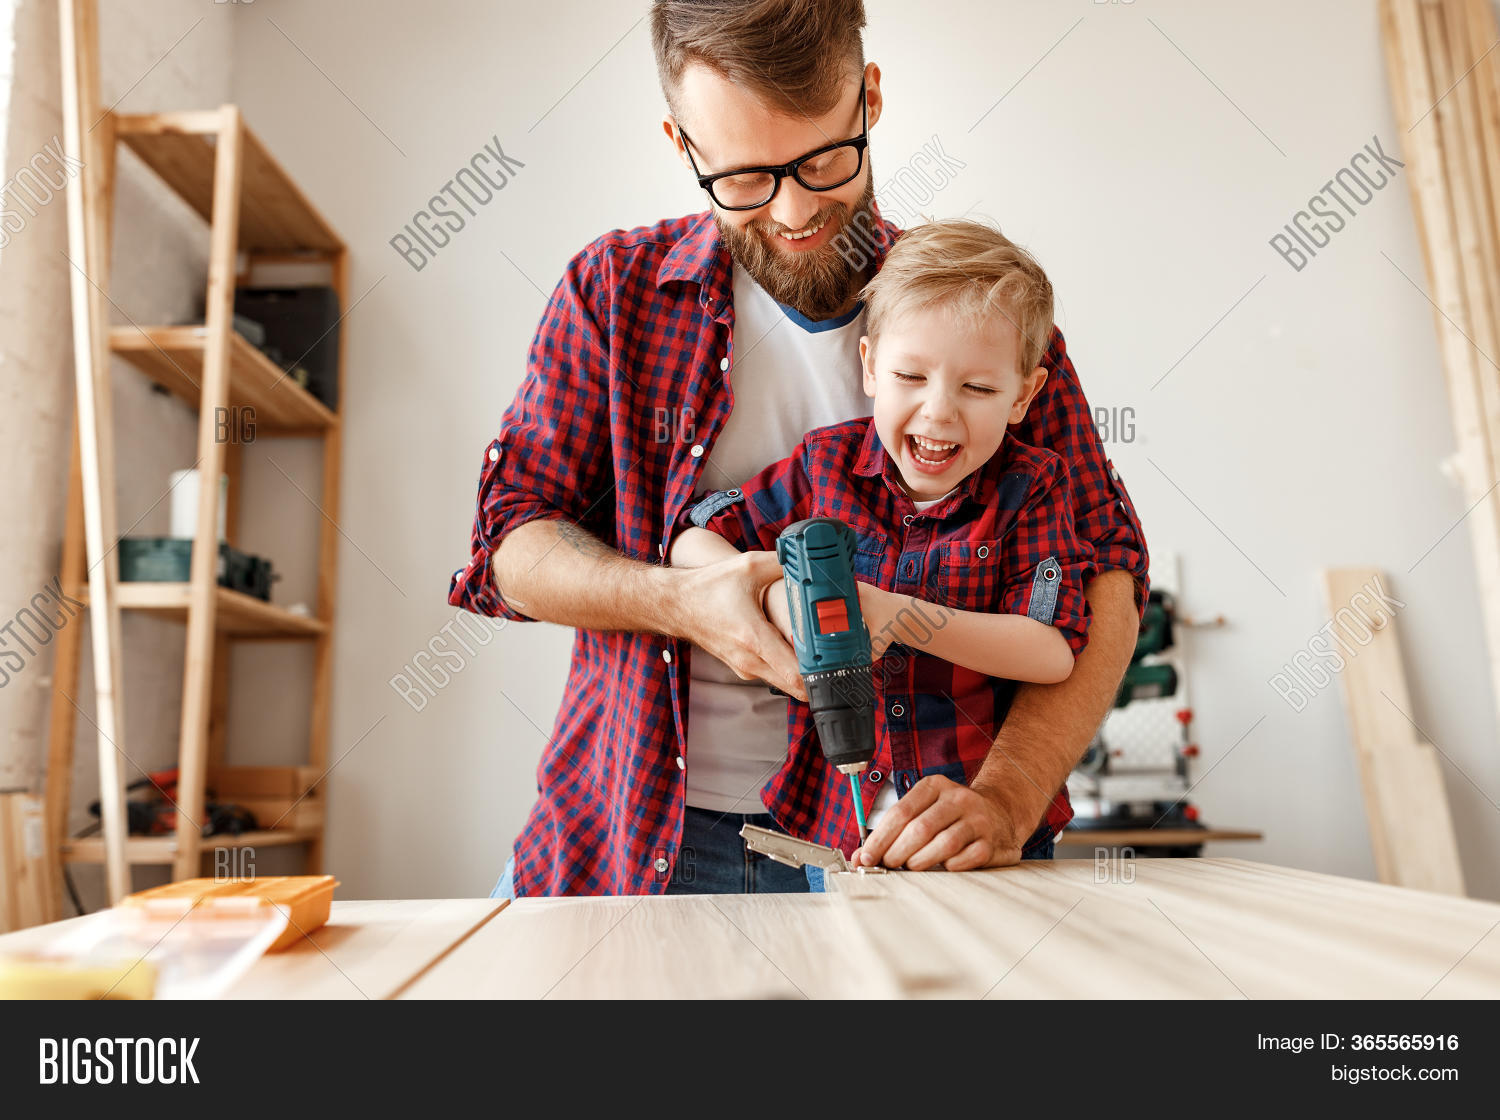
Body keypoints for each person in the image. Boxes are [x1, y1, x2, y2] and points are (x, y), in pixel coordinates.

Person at [448, 0, 1149, 898]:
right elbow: (512, 544)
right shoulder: (613, 294)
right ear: (682, 144)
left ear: (869, 98)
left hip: (903, 845)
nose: (794, 209)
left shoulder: (985, 322)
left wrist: (1007, 799)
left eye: (823, 160)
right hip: (634, 829)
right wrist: (685, 602)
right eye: (743, 176)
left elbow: (1107, 581)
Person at [669, 219, 1096, 891]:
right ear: (869, 367)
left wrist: (898, 616)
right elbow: (691, 537)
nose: (938, 412)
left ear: (1024, 396)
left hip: (970, 832)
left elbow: (1051, 652)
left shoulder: (1032, 487)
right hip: (833, 827)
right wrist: (773, 593)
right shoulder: (825, 466)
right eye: (910, 375)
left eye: (978, 389)